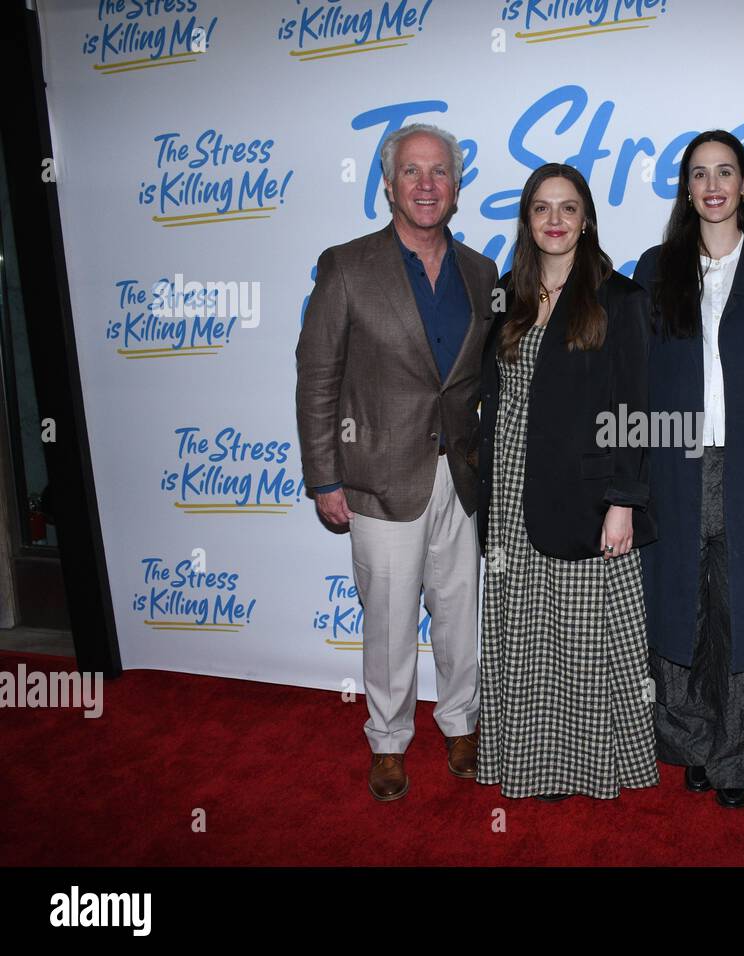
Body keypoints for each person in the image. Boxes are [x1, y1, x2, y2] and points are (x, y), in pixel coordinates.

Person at [295, 123, 498, 802]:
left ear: (458, 185)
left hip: (458, 475)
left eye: (439, 171)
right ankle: (387, 740)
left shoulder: (480, 271)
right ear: (387, 185)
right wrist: (324, 477)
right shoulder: (348, 266)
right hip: (378, 477)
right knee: (387, 621)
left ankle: (462, 723)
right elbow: (317, 374)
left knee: (460, 612)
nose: (426, 184)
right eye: (411, 172)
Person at [476, 162, 659, 801]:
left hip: (584, 493)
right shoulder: (508, 294)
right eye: (541, 209)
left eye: (568, 208)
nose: (555, 221)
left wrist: (623, 501)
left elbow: (635, 412)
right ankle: (529, 761)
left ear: (586, 219)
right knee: (520, 634)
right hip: (508, 488)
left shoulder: (620, 297)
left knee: (581, 639)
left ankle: (587, 765)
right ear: (526, 220)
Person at [633, 131, 744, 810]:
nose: (712, 185)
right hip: (671, 466)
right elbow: (633, 374)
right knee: (681, 612)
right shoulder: (653, 268)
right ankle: (693, 747)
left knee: (741, 616)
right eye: (699, 173)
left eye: (725, 171)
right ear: (687, 188)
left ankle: (738, 758)